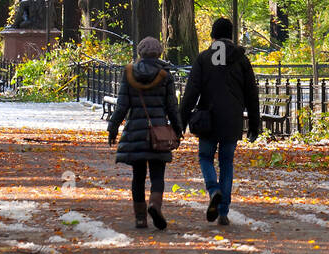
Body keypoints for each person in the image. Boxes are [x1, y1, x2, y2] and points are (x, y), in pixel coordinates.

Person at [179, 17, 260, 228]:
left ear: (212, 36)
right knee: (227, 163)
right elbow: (252, 94)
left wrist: (179, 122)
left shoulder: (204, 58)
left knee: (205, 157)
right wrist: (254, 125)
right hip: (232, 121)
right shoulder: (241, 60)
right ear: (230, 35)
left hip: (207, 119)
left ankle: (213, 189)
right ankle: (223, 211)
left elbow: (191, 92)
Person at [107, 36, 181, 230]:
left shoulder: (129, 73)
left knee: (138, 176)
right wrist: (178, 129)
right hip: (159, 133)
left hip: (135, 133)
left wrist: (113, 127)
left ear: (140, 52)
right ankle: (154, 205)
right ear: (159, 53)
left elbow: (122, 105)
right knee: (158, 175)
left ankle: (140, 218)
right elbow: (172, 107)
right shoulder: (165, 75)